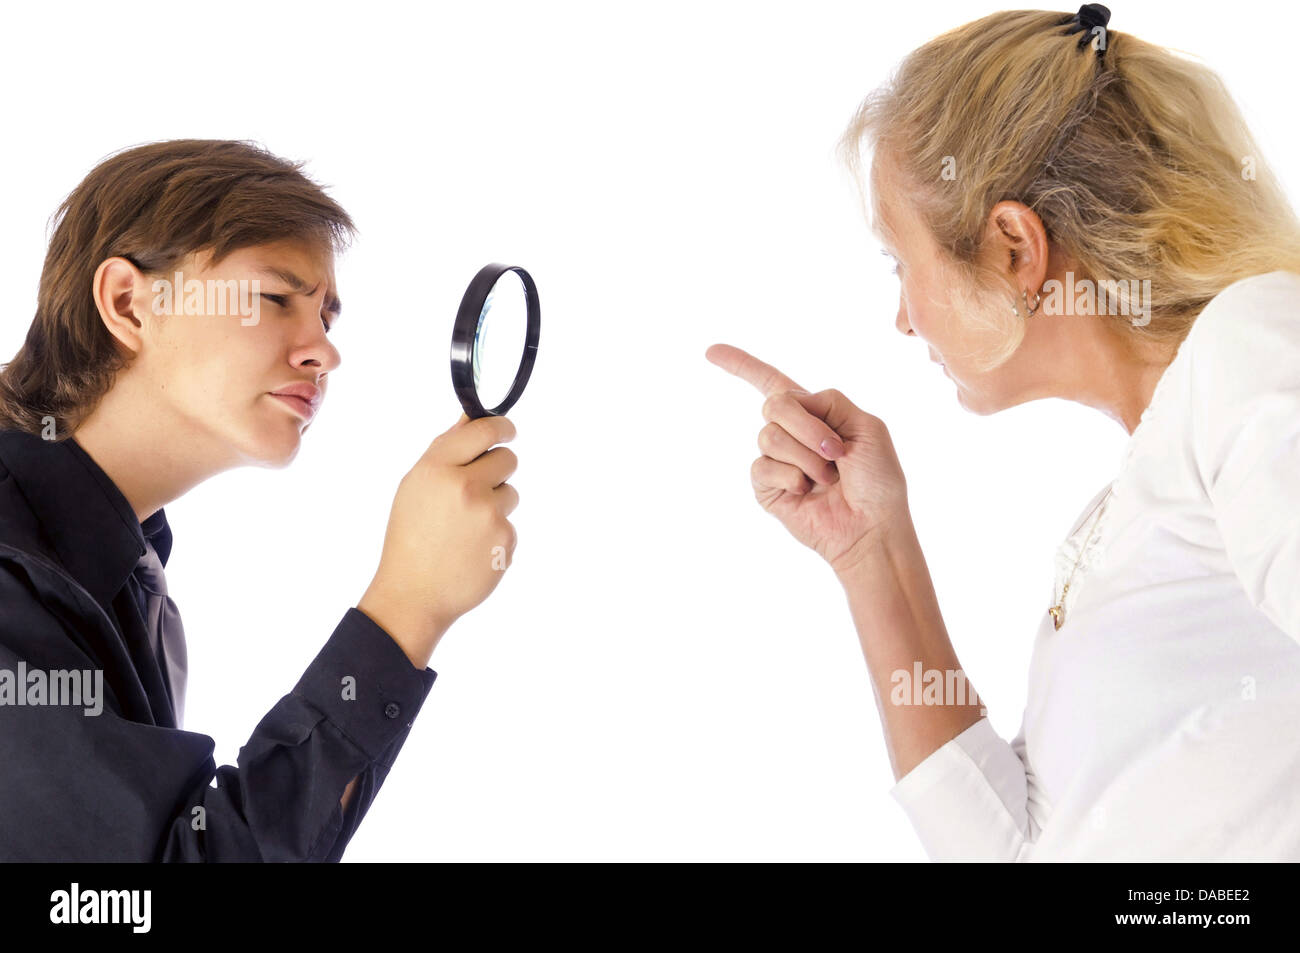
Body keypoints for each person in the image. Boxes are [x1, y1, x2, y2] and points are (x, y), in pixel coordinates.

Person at [707, 5, 1300, 860]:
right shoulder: (1139, 492)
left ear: (1015, 247)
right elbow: (1021, 851)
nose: (903, 318)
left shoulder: (1248, 351)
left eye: (900, 263)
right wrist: (871, 550)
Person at [0, 139, 520, 861]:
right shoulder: (14, 569)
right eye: (276, 298)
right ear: (128, 303)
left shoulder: (123, 568)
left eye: (327, 319)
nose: (323, 352)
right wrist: (406, 608)